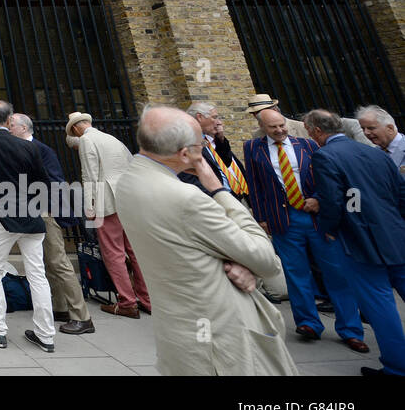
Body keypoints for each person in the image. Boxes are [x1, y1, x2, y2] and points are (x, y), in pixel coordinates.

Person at [113, 105, 297, 376]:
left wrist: (243, 266)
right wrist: (219, 190)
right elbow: (266, 260)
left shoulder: (129, 182)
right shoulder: (187, 198)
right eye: (199, 144)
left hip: (181, 335)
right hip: (221, 341)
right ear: (185, 153)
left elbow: (188, 246)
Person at [243, 106, 367, 353]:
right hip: (283, 219)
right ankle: (308, 323)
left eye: (281, 125)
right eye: (273, 128)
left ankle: (351, 330)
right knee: (296, 273)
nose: (279, 131)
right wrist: (261, 217)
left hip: (316, 217)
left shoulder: (308, 145)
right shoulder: (252, 148)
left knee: (336, 273)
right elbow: (254, 185)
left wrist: (320, 198)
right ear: (262, 128)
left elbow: (329, 177)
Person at [303, 108, 405, 377]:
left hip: (361, 241)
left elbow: (334, 200)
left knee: (380, 305)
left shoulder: (325, 155)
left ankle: (397, 367)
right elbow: (400, 192)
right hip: (396, 235)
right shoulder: (375, 153)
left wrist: (328, 229)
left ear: (315, 131)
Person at [0, 100, 56, 353]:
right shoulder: (27, 146)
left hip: (1, 214)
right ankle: (46, 335)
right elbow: (43, 181)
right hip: (30, 215)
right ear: (8, 121)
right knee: (37, 274)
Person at [8, 113, 93, 334]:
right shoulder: (21, 150)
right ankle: (61, 307)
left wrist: (52, 210)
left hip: (46, 212)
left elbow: (55, 181)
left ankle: (82, 317)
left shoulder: (41, 150)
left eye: (12, 126)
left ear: (24, 128)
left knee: (58, 261)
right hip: (34, 212)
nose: (8, 129)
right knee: (48, 262)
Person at [68, 111, 151, 318]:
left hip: (107, 201)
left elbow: (89, 175)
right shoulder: (112, 139)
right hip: (127, 198)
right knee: (135, 251)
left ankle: (127, 302)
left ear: (76, 129)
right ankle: (147, 299)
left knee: (112, 252)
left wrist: (89, 206)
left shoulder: (86, 140)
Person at [185, 102, 248, 204]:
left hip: (232, 197)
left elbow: (226, 163)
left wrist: (220, 139)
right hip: (217, 201)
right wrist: (217, 198)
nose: (218, 122)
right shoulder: (188, 141)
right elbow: (190, 177)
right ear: (200, 117)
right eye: (214, 117)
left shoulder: (204, 139)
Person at [357, 105, 405, 173]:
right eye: (363, 129)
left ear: (390, 128)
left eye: (371, 128)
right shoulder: (372, 155)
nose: (366, 132)